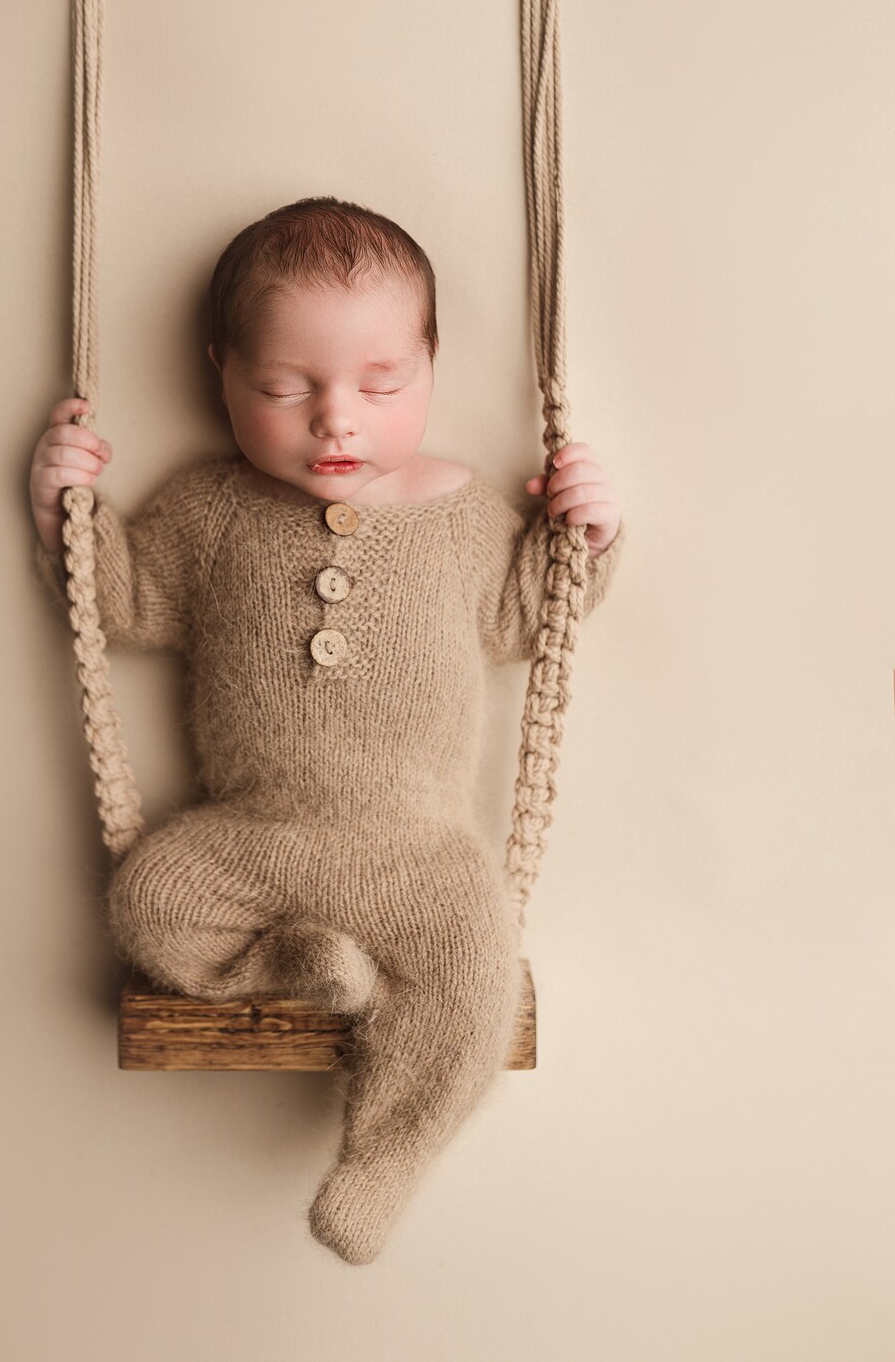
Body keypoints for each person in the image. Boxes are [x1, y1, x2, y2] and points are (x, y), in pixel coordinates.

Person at [30, 196, 624, 1265]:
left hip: (417, 849)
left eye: (380, 384)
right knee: (151, 900)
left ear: (431, 366)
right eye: (283, 387)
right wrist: (65, 512)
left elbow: (536, 612)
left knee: (476, 973)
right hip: (255, 838)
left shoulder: (462, 517)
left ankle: (385, 1160)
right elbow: (121, 599)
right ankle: (297, 962)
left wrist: (589, 528)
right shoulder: (207, 513)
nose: (335, 418)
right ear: (223, 370)